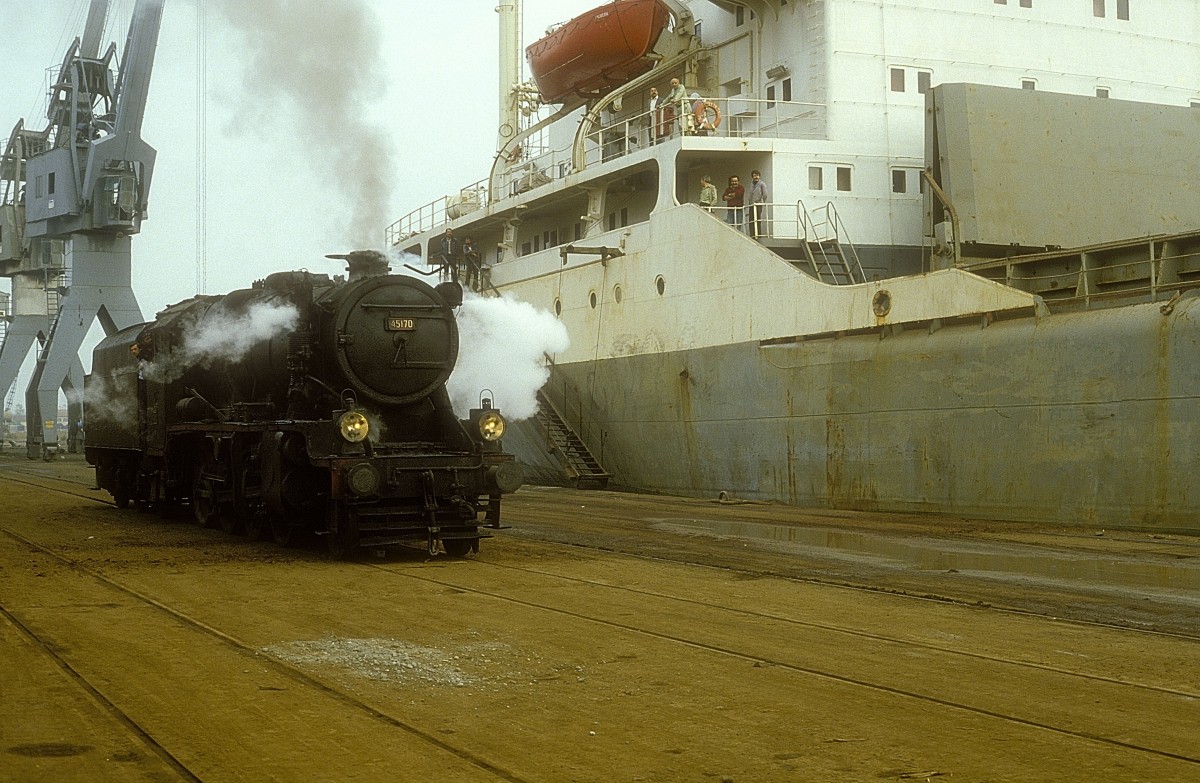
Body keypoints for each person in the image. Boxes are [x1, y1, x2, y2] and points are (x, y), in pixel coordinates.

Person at [748, 169, 769, 238]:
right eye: (754, 175)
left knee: (757, 219)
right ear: (752, 176)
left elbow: (765, 194)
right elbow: (750, 194)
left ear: (759, 176)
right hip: (751, 204)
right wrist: (750, 202)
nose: (756, 177)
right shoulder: (751, 184)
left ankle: (758, 234)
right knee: (751, 219)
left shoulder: (762, 184)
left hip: (758, 204)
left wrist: (761, 201)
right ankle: (752, 234)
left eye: (757, 175)